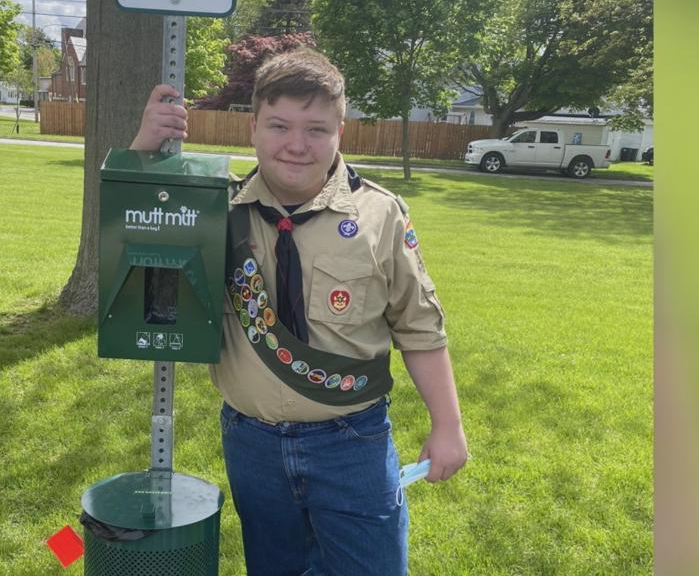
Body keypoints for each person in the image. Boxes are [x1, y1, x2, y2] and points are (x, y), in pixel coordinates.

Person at [128, 48, 468, 576]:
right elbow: (143, 237)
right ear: (253, 130)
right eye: (279, 125)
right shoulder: (216, 208)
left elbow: (419, 326)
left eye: (315, 129)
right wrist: (144, 153)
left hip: (352, 441)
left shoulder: (380, 216)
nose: (295, 144)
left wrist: (448, 425)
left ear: (340, 131)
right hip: (251, 442)